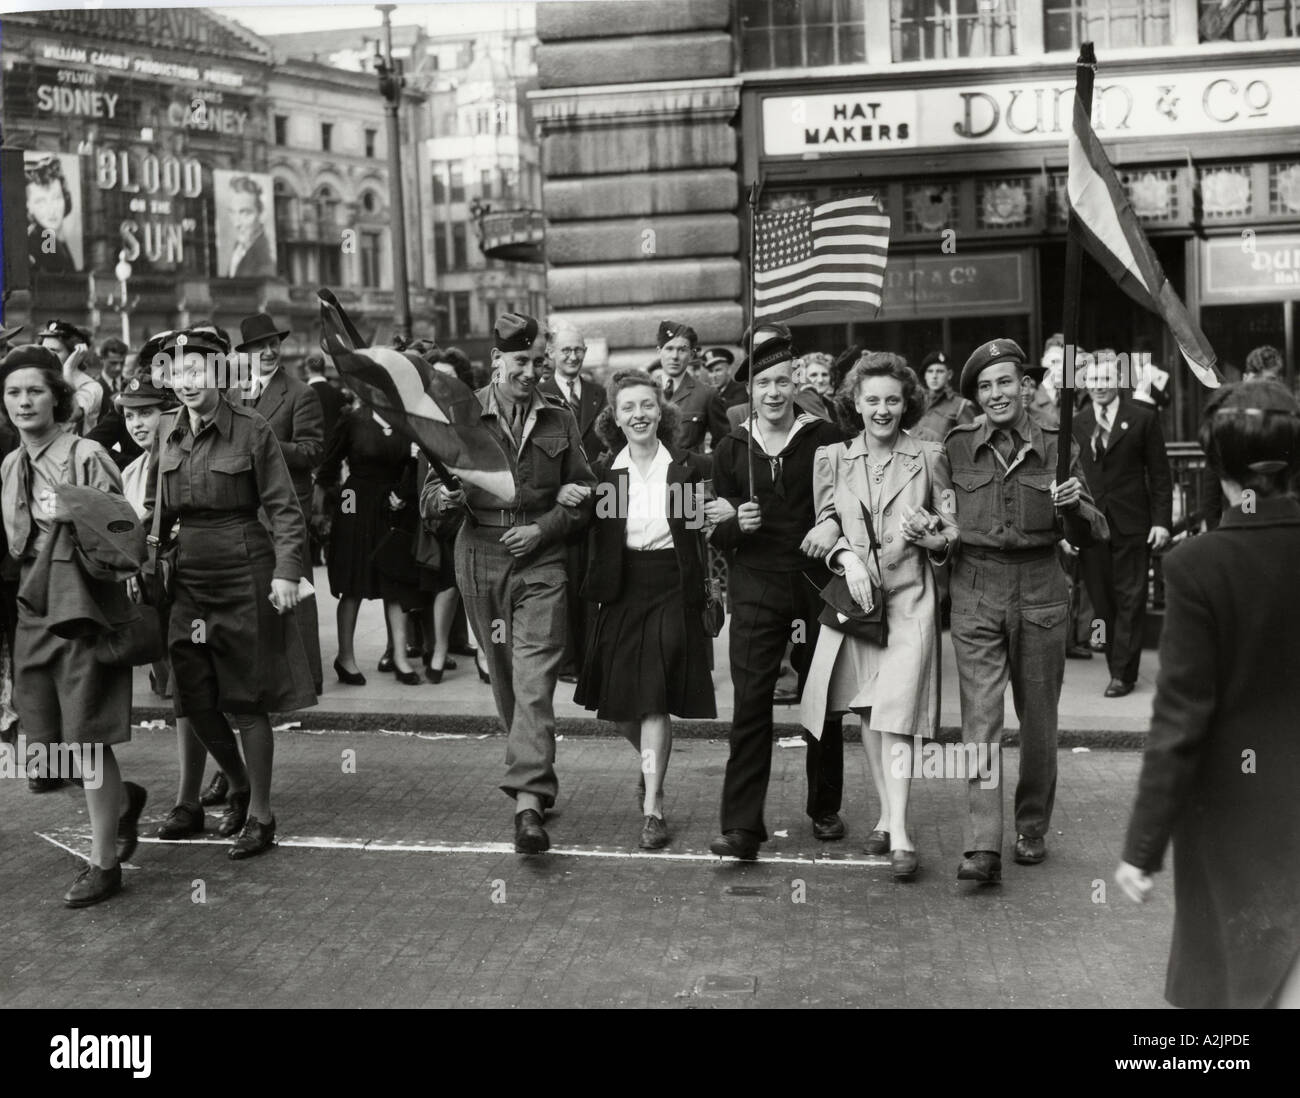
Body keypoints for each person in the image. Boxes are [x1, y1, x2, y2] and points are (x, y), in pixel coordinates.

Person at [1116, 381, 1300, 1009]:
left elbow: (1179, 722)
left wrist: (1142, 849)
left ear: (1218, 474)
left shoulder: (1198, 567)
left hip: (1234, 822)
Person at [421, 312, 595, 854]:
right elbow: (431, 506)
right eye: (521, 362)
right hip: (478, 558)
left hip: (541, 563)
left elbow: (585, 492)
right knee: (505, 681)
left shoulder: (559, 419)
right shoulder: (461, 416)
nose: (530, 372)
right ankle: (534, 776)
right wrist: (443, 500)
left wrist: (545, 527)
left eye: (537, 362)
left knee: (535, 681)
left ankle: (526, 805)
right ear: (497, 360)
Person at [144, 327, 316, 859]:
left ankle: (261, 815)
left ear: (220, 374)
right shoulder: (169, 430)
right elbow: (157, 511)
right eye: (178, 372)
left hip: (244, 568)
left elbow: (284, 507)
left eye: (197, 370)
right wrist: (144, 565)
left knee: (245, 696)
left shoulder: (252, 428)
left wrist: (287, 573)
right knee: (191, 694)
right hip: (190, 573)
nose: (186, 381)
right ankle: (235, 785)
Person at [945, 338, 1108, 884]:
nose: (996, 394)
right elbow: (944, 525)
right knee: (981, 721)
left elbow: (1094, 531)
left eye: (1005, 382)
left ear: (1026, 387)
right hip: (975, 589)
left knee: (1038, 721)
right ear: (975, 397)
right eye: (985, 387)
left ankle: (1032, 824)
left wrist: (1075, 508)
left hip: (1041, 588)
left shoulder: (1060, 443)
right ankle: (982, 843)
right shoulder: (957, 446)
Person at [793, 352, 958, 881]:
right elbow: (823, 524)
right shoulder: (831, 459)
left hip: (911, 600)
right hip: (858, 606)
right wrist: (845, 557)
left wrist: (934, 539)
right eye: (872, 400)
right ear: (855, 404)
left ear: (906, 401)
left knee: (900, 714)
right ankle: (886, 817)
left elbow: (951, 528)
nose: (882, 409)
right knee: (868, 711)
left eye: (892, 399)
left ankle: (902, 832)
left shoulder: (930, 455)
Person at [1, 344, 147, 906]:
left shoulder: (85, 453)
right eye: (13, 392)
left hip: (84, 612)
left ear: (56, 396)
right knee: (44, 753)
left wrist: (78, 507)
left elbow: (127, 531)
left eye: (34, 389)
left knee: (86, 743)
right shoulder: (11, 465)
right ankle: (123, 801)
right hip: (32, 614)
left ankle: (104, 864)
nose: (23, 401)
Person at [705, 326, 848, 862]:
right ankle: (742, 826)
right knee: (750, 705)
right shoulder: (730, 447)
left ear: (795, 385)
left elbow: (850, 505)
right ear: (750, 391)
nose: (772, 392)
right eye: (763, 382)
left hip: (816, 582)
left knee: (822, 700)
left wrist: (832, 524)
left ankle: (824, 805)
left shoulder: (826, 438)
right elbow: (711, 526)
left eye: (782, 381)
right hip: (756, 586)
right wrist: (733, 524)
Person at [571, 371, 716, 849]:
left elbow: (696, 532)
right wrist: (568, 498)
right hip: (621, 588)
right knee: (617, 705)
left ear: (662, 411)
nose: (639, 415)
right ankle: (649, 765)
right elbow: (594, 531)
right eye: (629, 408)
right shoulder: (605, 472)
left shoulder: (686, 468)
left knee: (654, 696)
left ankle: (653, 805)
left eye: (647, 406)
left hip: (672, 586)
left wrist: (721, 515)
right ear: (615, 416)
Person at [1072, 358, 1172, 698]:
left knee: (1132, 597)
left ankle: (1123, 674)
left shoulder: (1142, 418)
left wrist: (1161, 522)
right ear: (1084, 383)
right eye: (1092, 379)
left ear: (1118, 380)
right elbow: (1069, 477)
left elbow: (1160, 475)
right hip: (1091, 525)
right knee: (1103, 602)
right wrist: (1069, 528)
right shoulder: (1077, 423)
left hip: (1133, 523)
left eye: (1105, 378)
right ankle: (1119, 666)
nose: (1099, 384)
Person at [235, 312, 324, 693]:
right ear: (247, 353)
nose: (268, 351)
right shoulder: (234, 393)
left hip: (286, 510)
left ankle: (309, 677)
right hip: (245, 510)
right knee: (258, 595)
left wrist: (264, 438)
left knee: (296, 591)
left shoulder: (300, 393)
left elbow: (312, 451)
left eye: (273, 344)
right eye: (259, 346)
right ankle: (268, 673)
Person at [314, 400, 425, 686]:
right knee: (353, 584)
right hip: (356, 505)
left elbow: (413, 467)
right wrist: (338, 502)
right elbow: (327, 467)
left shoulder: (407, 421)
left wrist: (404, 494)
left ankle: (400, 657)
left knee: (394, 583)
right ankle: (345, 658)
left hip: (393, 507)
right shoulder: (352, 419)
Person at [538, 322, 607, 683]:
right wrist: (557, 490)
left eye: (579, 349)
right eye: (565, 350)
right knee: (563, 583)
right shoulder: (538, 393)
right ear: (550, 353)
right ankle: (567, 662)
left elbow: (612, 445)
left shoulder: (599, 394)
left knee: (593, 581)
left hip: (597, 503)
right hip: (559, 508)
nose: (573, 356)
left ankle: (593, 659)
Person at [655, 321, 729, 470]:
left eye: (682, 350)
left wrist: (702, 467)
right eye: (669, 349)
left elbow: (724, 446)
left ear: (692, 354)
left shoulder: (706, 394)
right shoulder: (645, 390)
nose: (674, 356)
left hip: (691, 483)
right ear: (659, 351)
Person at [38, 321, 101, 436]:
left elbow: (71, 414)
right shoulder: (42, 381)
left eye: (54, 351)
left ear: (73, 354)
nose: (47, 356)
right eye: (44, 350)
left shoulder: (91, 387)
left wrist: (67, 370)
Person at [25, 155, 79, 274]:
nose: (51, 210)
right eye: (40, 201)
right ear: (28, 206)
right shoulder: (45, 238)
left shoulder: (52, 236)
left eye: (56, 198)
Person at [916, 350, 975, 439]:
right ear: (925, 375)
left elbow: (970, 442)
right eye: (930, 371)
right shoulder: (916, 402)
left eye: (940, 371)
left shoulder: (961, 405)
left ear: (949, 375)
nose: (934, 376)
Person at [225, 176, 275, 278]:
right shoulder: (238, 247)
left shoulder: (266, 256)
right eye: (232, 213)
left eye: (245, 213)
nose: (236, 224)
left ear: (261, 214)